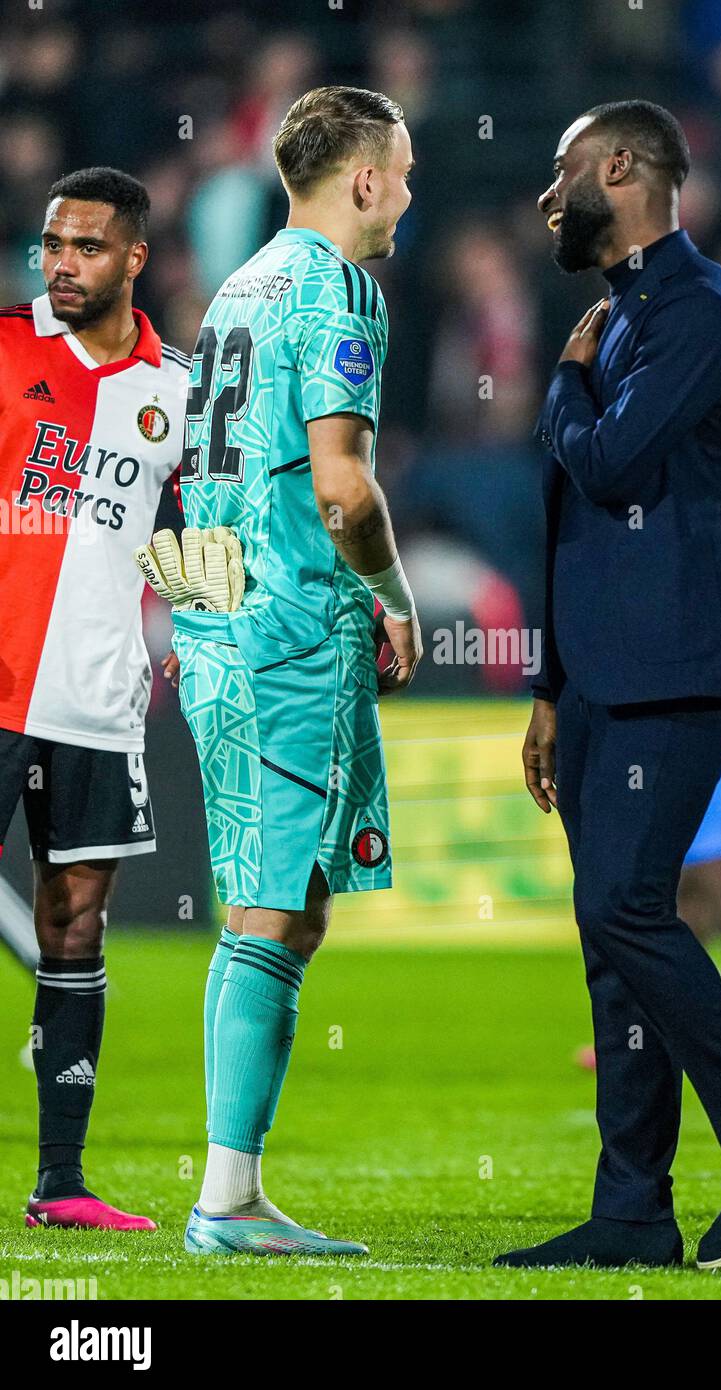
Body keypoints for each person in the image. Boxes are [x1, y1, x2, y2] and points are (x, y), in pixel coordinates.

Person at [495, 100, 721, 1273]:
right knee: (610, 936)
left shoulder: (698, 307)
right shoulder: (626, 310)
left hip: (677, 664)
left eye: (560, 172)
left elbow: (607, 460)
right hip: (601, 671)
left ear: (623, 168)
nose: (548, 196)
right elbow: (573, 516)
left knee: (626, 907)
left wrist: (564, 384)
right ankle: (632, 1206)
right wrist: (548, 688)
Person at [140, 85, 422, 1257]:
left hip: (217, 609)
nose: (407, 194)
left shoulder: (239, 287)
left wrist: (216, 622)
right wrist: (392, 597)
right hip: (287, 628)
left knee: (290, 908)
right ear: (362, 180)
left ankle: (237, 1192)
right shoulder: (339, 286)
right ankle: (224, 1200)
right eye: (400, 173)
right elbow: (342, 487)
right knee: (267, 910)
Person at [0, 166, 188, 1231]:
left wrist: (219, 627)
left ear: (133, 258)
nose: (61, 264)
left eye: (83, 247)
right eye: (51, 245)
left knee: (76, 928)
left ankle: (60, 1183)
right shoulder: (6, 346)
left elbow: (191, 547)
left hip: (97, 700)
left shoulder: (179, 390)